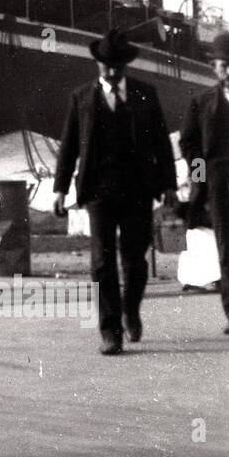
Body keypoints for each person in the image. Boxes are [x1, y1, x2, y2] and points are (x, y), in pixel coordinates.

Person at [53, 29, 177, 355]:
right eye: (105, 66)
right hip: (98, 191)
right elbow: (68, 148)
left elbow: (163, 144)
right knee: (101, 262)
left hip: (138, 189)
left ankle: (131, 310)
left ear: (125, 66)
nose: (111, 72)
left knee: (135, 262)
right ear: (98, 64)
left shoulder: (145, 94)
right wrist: (59, 189)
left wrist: (169, 186)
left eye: (116, 66)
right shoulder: (81, 98)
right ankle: (111, 331)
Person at [180, 31, 229, 335]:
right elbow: (190, 144)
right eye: (221, 64)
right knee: (227, 247)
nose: (226, 69)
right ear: (213, 67)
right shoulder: (201, 103)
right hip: (217, 182)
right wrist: (201, 179)